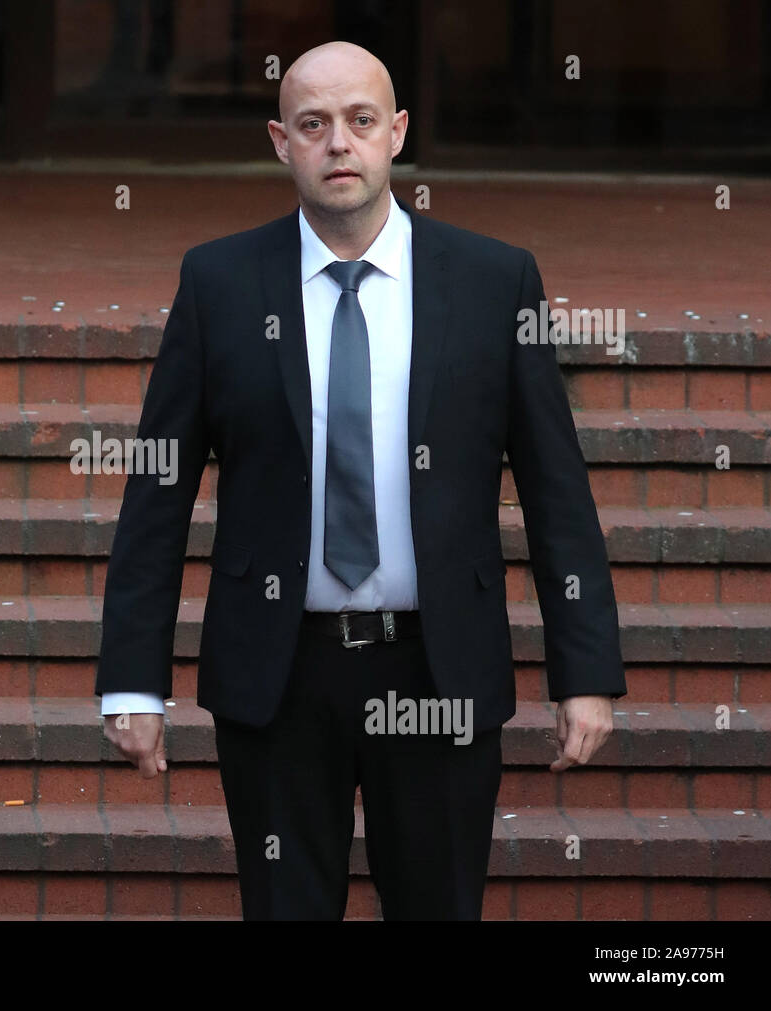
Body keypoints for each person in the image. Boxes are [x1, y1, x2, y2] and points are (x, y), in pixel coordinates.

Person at [96, 42, 626, 919]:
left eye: (360, 121)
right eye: (313, 125)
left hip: (437, 670)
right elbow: (157, 492)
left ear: (397, 133)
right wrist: (131, 680)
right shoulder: (220, 282)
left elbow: (555, 485)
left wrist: (587, 670)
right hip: (278, 675)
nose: (338, 143)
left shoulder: (496, 281)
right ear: (280, 141)